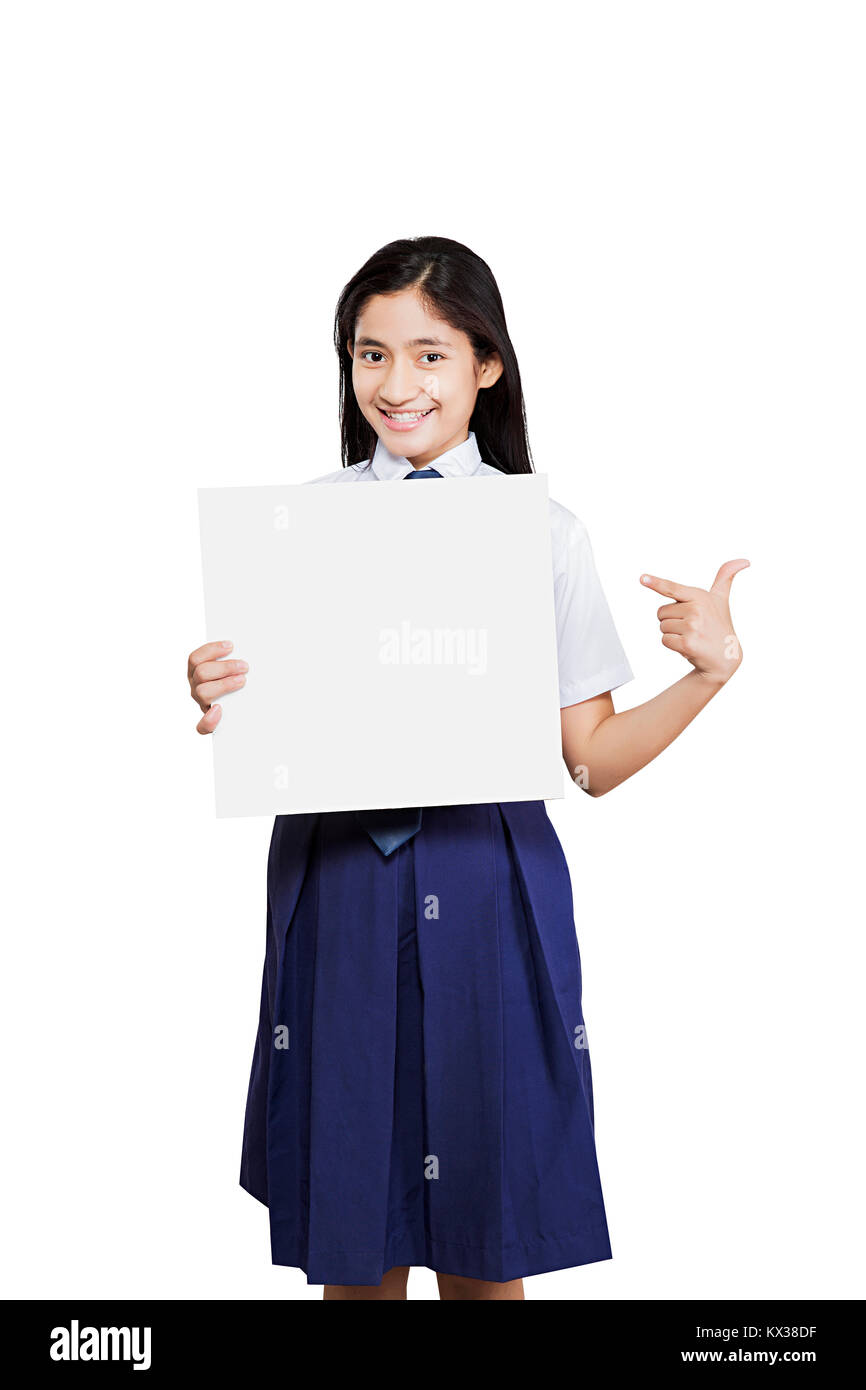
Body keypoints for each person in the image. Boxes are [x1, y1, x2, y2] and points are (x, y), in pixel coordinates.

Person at [187, 236, 748, 1301]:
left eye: (429, 355)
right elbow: (276, 719)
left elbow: (588, 759)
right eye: (369, 355)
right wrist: (220, 689)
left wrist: (706, 677)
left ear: (485, 364)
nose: (395, 385)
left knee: (488, 1233)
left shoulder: (540, 534)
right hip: (340, 878)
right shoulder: (294, 524)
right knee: (354, 1225)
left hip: (487, 878)